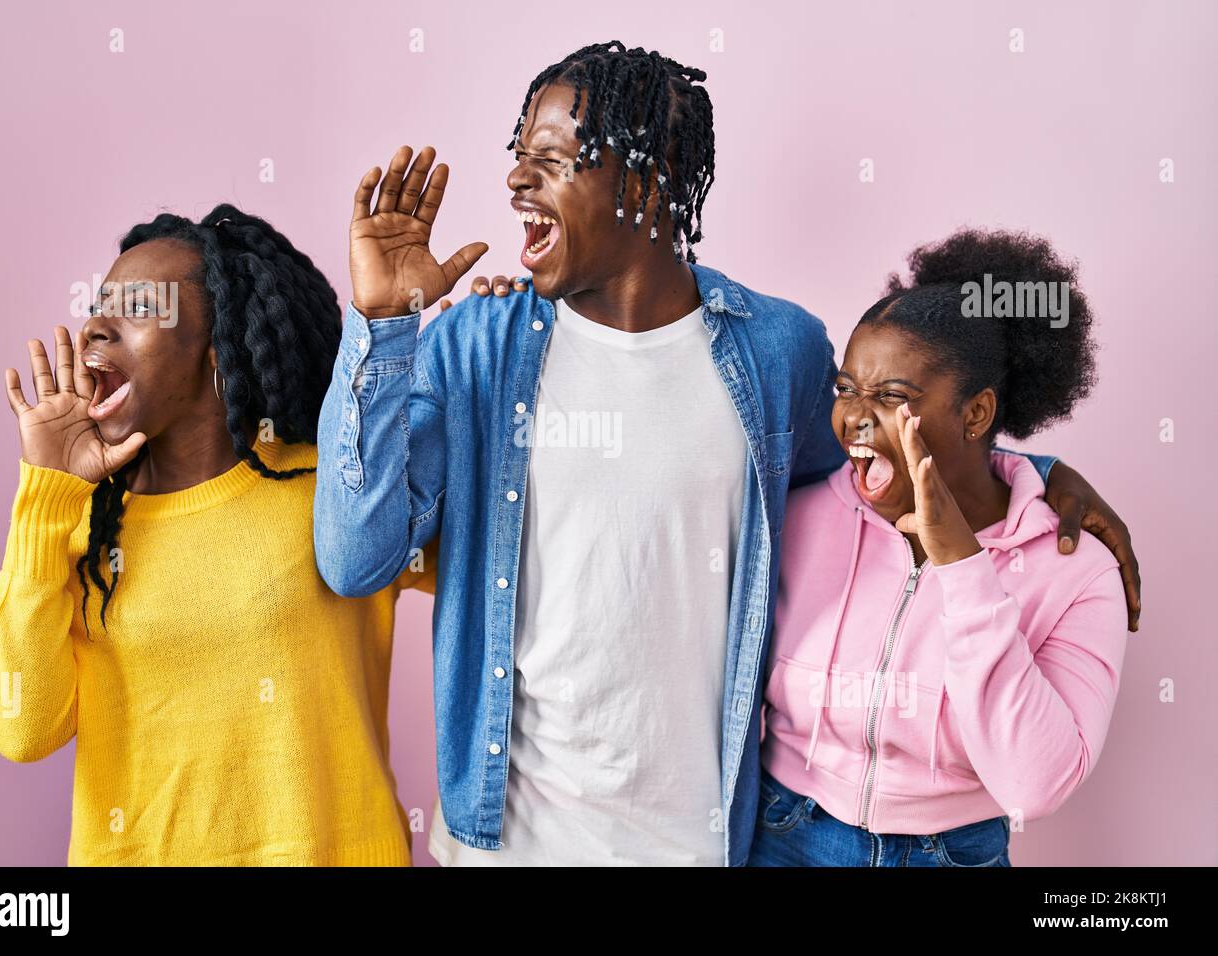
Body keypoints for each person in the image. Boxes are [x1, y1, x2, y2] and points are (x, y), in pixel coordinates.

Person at [314, 42, 1139, 866]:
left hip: (703, 843)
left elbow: (886, 456)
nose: (516, 183)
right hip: (506, 840)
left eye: (555, 161)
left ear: (645, 183)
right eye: (519, 157)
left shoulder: (775, 353)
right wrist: (382, 327)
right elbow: (356, 557)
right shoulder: (476, 345)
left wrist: (1031, 478)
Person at [0, 205, 432, 865]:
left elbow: (504, 568)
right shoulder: (75, 519)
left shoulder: (336, 484)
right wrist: (46, 493)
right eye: (99, 306)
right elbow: (20, 729)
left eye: (138, 308)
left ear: (219, 346)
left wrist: (505, 362)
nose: (96, 325)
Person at [751, 229, 1126, 866]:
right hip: (785, 832)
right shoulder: (800, 513)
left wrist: (962, 565)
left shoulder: (1077, 570)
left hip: (950, 853)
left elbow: (1034, 786)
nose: (857, 418)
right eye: (847, 390)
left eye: (893, 397)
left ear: (976, 414)